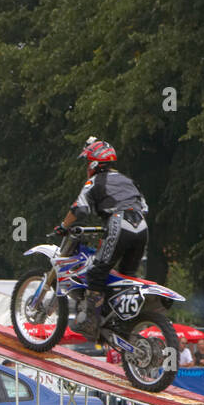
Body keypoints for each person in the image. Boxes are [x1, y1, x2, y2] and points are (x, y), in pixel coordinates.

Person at [53, 136, 149, 338]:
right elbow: (144, 207)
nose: (87, 166)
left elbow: (79, 209)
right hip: (141, 227)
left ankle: (91, 321)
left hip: (119, 222)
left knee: (97, 271)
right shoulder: (128, 181)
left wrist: (63, 226)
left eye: (88, 162)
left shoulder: (94, 181)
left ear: (94, 162)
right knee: (126, 275)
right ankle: (121, 322)